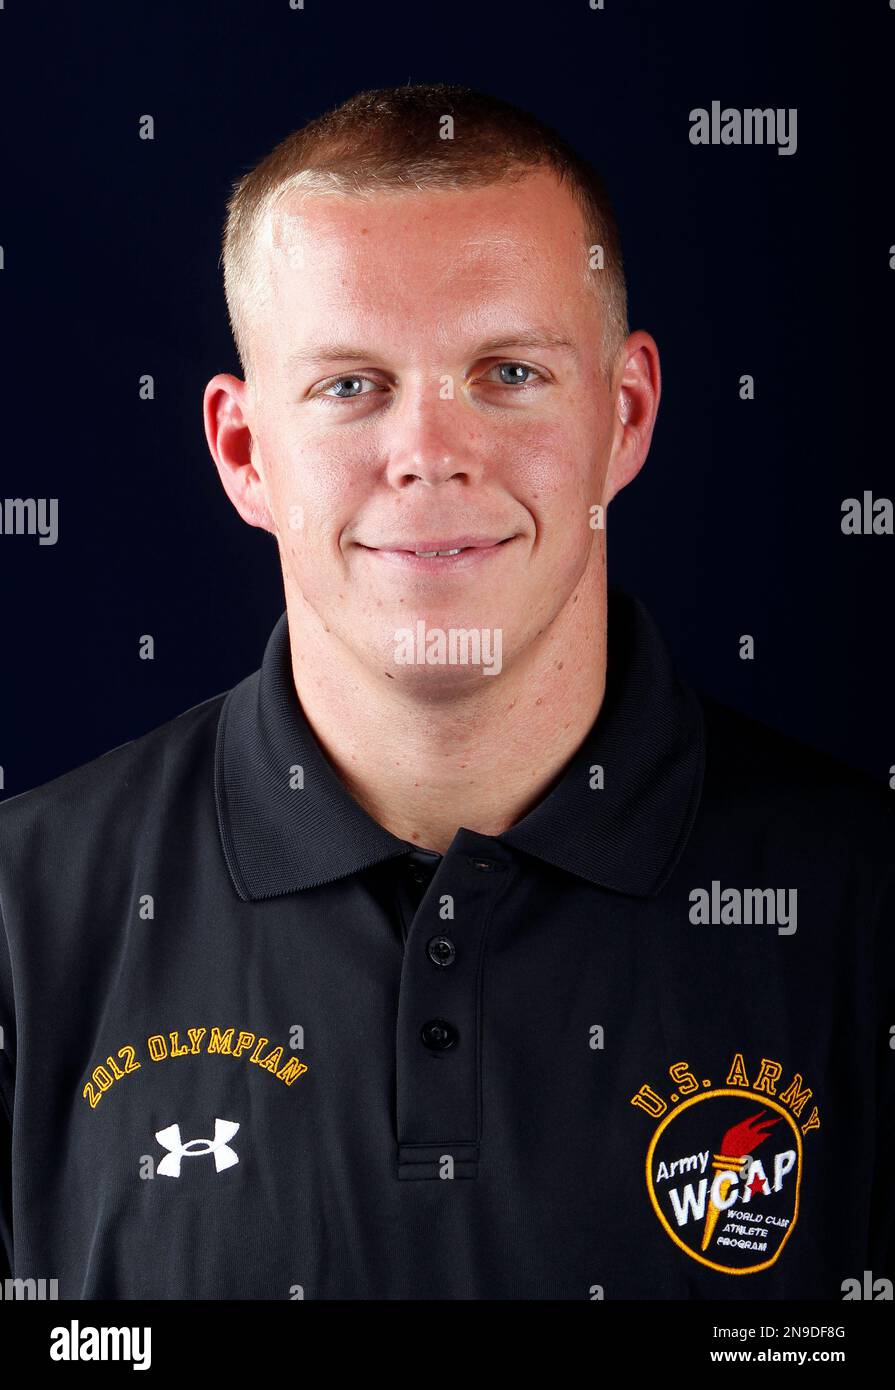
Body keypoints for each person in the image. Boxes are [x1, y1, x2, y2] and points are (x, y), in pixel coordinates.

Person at [0, 83, 892, 1300]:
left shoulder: (863, 905)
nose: (430, 449)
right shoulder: (21, 918)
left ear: (622, 415)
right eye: (350, 384)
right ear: (243, 449)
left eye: (509, 371)